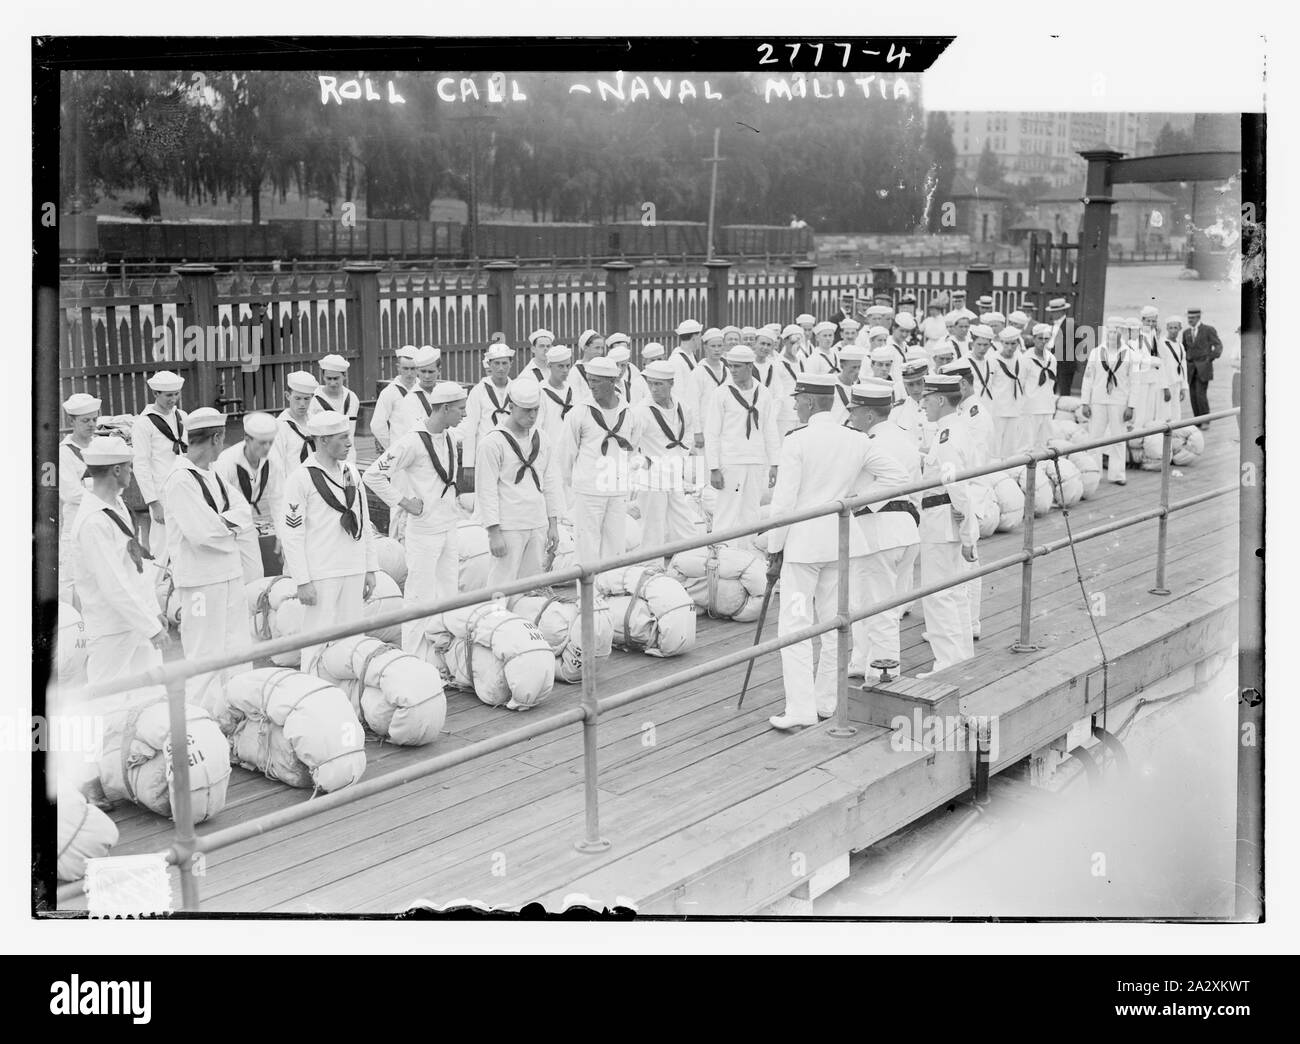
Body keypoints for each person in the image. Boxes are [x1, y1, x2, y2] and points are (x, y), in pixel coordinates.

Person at [761, 373, 910, 729]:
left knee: (795, 625)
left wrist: (774, 549)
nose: (794, 404)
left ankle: (800, 708)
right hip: (842, 544)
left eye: (798, 398)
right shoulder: (855, 439)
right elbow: (899, 477)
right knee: (833, 625)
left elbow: (783, 504)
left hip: (802, 551)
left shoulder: (797, 440)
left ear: (810, 402)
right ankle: (827, 701)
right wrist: (852, 503)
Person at [364, 382, 467, 651]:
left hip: (448, 527)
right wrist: (404, 503)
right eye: (460, 409)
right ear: (445, 409)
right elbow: (373, 475)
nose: (463, 415)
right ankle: (412, 656)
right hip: (424, 533)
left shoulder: (449, 436)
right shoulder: (412, 441)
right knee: (418, 597)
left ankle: (443, 654)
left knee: (448, 594)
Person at [162, 407, 252, 708]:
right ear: (216, 437)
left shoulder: (213, 474)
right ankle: (202, 721)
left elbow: (244, 511)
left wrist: (221, 525)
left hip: (228, 574)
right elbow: (202, 535)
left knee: (236, 648)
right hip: (200, 582)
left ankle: (236, 714)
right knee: (204, 653)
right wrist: (229, 528)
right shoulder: (180, 480)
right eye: (222, 438)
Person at [281, 411, 378, 676]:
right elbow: (292, 533)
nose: (349, 442)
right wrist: (302, 580)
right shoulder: (300, 478)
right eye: (342, 437)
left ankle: (348, 701)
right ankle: (312, 696)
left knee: (352, 640)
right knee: (316, 640)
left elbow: (364, 521)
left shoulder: (352, 473)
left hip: (353, 567)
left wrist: (370, 568)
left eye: (348, 436)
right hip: (322, 572)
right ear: (322, 441)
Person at [68, 435, 169, 687]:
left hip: (136, 623)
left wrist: (153, 612)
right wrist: (151, 627)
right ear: (116, 470)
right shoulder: (93, 520)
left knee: (151, 698)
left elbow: (135, 566)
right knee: (108, 705)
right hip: (111, 630)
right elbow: (113, 583)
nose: (131, 472)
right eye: (128, 466)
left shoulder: (118, 505)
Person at [845, 379, 921, 681]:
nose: (850, 417)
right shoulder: (905, 438)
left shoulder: (870, 443)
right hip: (905, 530)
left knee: (879, 609)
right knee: (872, 602)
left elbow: (894, 481)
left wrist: (856, 502)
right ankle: (863, 661)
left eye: (854, 411)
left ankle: (885, 676)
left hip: (878, 530)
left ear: (868, 413)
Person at [917, 374, 980, 676]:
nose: (923, 404)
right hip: (946, 519)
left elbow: (957, 487)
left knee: (939, 595)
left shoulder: (947, 437)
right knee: (954, 593)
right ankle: (961, 659)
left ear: (940, 400)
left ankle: (946, 665)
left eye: (927, 398)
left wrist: (969, 535)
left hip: (941, 521)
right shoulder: (953, 429)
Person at [475, 379, 564, 588]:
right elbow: (486, 491)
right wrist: (494, 533)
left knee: (531, 585)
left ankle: (525, 619)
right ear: (511, 407)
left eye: (535, 410)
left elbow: (550, 482)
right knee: (501, 584)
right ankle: (495, 620)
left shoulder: (542, 438)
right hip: (509, 524)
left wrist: (553, 524)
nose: (532, 416)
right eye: (526, 411)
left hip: (536, 521)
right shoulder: (492, 442)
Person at [565, 357, 643, 565]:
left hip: (616, 489)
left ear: (612, 381)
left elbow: (632, 446)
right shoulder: (579, 412)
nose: (591, 386)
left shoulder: (629, 413)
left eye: (597, 381)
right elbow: (566, 454)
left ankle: (610, 591)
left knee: (615, 546)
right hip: (589, 489)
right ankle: (588, 596)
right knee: (587, 546)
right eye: (590, 380)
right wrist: (575, 483)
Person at [705, 345, 781, 547]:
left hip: (756, 460)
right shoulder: (721, 393)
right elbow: (711, 433)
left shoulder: (763, 393)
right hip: (731, 460)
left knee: (751, 513)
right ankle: (721, 554)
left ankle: (747, 556)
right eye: (730, 366)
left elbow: (770, 430)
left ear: (749, 366)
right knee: (727, 511)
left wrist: (775, 463)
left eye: (737, 366)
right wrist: (713, 468)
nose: (733, 370)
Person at [633, 360, 697, 557]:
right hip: (652, 477)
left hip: (674, 474)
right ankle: (651, 570)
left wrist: (681, 456)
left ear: (671, 383)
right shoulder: (641, 411)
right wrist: (641, 463)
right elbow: (629, 444)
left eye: (659, 384)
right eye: (650, 383)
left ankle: (691, 562)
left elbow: (688, 434)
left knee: (684, 522)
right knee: (653, 529)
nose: (653, 388)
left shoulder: (683, 406)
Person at [216, 412, 284, 583]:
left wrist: (282, 535)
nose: (267, 447)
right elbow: (214, 500)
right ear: (247, 439)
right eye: (262, 443)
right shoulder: (226, 461)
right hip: (222, 523)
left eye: (271, 442)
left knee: (255, 573)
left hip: (246, 523)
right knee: (225, 575)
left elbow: (278, 498)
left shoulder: (273, 459)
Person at [132, 370, 188, 561]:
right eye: (168, 395)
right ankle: (153, 587)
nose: (173, 399)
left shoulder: (181, 416)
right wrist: (153, 502)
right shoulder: (144, 423)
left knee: (187, 542)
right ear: (156, 394)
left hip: (185, 486)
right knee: (162, 545)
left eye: (176, 394)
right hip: (162, 492)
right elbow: (141, 464)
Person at [1080, 317, 1137, 486]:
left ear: (1122, 333)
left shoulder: (1130, 354)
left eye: (1117, 331)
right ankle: (1094, 473)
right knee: (1095, 438)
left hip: (1119, 401)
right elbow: (1088, 378)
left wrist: (1131, 406)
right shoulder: (1096, 352)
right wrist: (1085, 402)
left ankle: (1117, 474)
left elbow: (1135, 382)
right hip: (1098, 399)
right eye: (1110, 331)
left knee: (1118, 437)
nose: (1113, 335)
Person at [59, 393, 100, 604]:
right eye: (85, 421)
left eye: (94, 419)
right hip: (76, 523)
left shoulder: (100, 447)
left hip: (101, 522)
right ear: (71, 421)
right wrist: (102, 497)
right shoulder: (64, 453)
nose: (92, 425)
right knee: (74, 579)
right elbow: (71, 493)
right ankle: (76, 629)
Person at [459, 342, 516, 488]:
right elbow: (470, 428)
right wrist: (468, 464)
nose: (501, 368)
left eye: (504, 363)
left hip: (512, 451)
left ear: (511, 364)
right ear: (489, 364)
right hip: (486, 452)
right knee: (486, 494)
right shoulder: (478, 391)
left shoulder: (516, 389)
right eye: (496, 363)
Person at [369, 344, 420, 453]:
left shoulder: (423, 389)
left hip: (422, 449)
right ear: (398, 368)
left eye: (413, 369)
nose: (409, 373)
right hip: (400, 450)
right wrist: (391, 447)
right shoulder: (389, 392)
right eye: (405, 368)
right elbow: (377, 425)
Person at [391, 345, 444, 447]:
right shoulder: (410, 400)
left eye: (431, 372)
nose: (427, 376)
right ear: (418, 371)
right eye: (423, 371)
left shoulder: (444, 395)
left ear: (439, 371)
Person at [312, 353, 360, 463]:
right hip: (322, 458)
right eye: (329, 378)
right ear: (323, 377)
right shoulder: (313, 399)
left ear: (344, 376)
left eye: (336, 378)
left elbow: (350, 433)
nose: (332, 383)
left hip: (347, 458)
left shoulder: (352, 398)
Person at [988, 327, 1028, 459]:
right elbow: (988, 384)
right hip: (998, 407)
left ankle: (1010, 471)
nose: (1010, 347)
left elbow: (1023, 382)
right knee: (995, 443)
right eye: (1006, 343)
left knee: (1011, 445)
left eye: (1013, 343)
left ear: (1018, 343)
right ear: (1001, 342)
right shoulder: (993, 359)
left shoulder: (1021, 359)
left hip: (1014, 406)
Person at [273, 370, 320, 479]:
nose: (302, 404)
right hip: (293, 485)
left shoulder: (316, 422)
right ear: (287, 396)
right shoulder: (279, 427)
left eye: (307, 399)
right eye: (297, 398)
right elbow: (276, 465)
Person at [1182, 307, 1223, 427]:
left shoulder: (1208, 330)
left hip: (1203, 369)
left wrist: (1209, 358)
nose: (1190, 320)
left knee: (1201, 395)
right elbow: (1184, 349)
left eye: (1193, 318)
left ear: (1199, 317)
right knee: (1193, 396)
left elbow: (1218, 346)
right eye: (1189, 318)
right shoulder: (1186, 332)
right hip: (1190, 369)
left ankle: (1205, 421)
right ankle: (1197, 422)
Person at [1128, 313, 1168, 432]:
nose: (1151, 324)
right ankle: (1137, 429)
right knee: (1140, 406)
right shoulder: (1138, 336)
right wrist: (1154, 361)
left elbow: (1164, 355)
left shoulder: (1155, 336)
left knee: (1150, 407)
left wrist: (1159, 338)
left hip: (1153, 377)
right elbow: (1137, 357)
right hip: (1141, 376)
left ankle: (1147, 430)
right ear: (1142, 321)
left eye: (1153, 321)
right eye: (1148, 321)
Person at [669, 319, 704, 448]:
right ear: (694, 337)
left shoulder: (691, 357)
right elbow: (678, 394)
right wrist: (693, 428)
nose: (700, 340)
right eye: (699, 337)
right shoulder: (677, 360)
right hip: (686, 421)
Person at [1023, 324, 1059, 449]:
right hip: (1031, 407)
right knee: (1029, 444)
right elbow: (1021, 384)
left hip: (1047, 406)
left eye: (1046, 339)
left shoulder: (1052, 359)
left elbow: (1051, 384)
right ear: (1033, 339)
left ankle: (1042, 468)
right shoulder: (1026, 358)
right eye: (1040, 338)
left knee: (1043, 444)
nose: (1043, 342)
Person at [537, 345, 577, 446]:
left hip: (569, 448)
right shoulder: (541, 391)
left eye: (568, 366)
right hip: (549, 448)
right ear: (549, 366)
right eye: (560, 366)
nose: (565, 370)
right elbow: (537, 426)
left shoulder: (571, 389)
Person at [1159, 316, 1189, 422]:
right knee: (1165, 413)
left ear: (1180, 329)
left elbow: (1183, 365)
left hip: (1177, 383)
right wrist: (1165, 387)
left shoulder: (1180, 345)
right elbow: (1161, 367)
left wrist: (1183, 387)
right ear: (1167, 328)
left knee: (1176, 412)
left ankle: (1175, 435)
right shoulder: (1162, 343)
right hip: (1166, 384)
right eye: (1170, 328)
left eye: (1175, 328)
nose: (1173, 331)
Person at [828, 345, 865, 425]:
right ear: (842, 366)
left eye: (859, 367)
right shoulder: (830, 385)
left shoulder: (861, 387)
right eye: (854, 367)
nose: (857, 371)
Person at [1046, 297, 1074, 395]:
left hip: (1065, 365)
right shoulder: (1052, 324)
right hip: (1052, 362)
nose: (1052, 314)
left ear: (1062, 311)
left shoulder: (1070, 324)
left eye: (1054, 312)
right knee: (1050, 389)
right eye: (1051, 312)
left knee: (1064, 391)